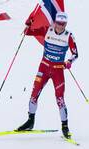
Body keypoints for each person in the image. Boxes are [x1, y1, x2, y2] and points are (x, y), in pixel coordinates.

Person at [16, 11, 78, 139]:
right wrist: (29, 24)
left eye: (63, 24)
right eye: (58, 23)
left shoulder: (69, 36)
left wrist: (69, 62)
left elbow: (75, 54)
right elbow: (28, 32)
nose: (60, 26)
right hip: (43, 67)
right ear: (54, 22)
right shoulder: (47, 30)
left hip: (57, 70)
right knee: (34, 93)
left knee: (59, 98)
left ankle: (65, 127)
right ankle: (30, 121)